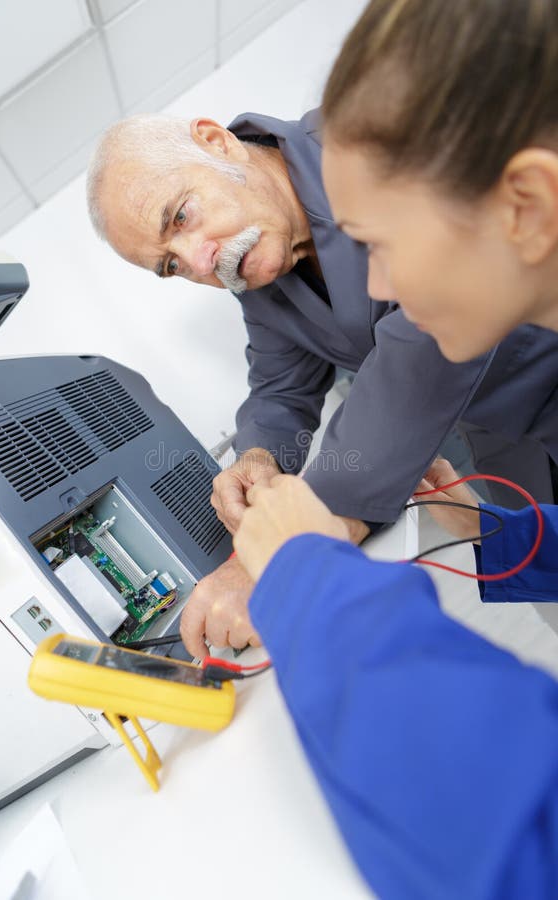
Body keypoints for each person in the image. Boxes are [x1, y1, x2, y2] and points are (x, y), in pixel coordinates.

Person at [231, 1, 558, 897]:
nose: (376, 287)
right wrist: (489, 539)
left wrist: (303, 573)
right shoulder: (265, 280)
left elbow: (513, 825)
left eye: (375, 245)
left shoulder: (350, 154)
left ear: (527, 206)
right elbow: (278, 390)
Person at [87, 108, 558, 658]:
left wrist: (286, 545)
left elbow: (424, 343)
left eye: (182, 217)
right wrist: (258, 455)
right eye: (171, 266)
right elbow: (280, 384)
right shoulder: (262, 269)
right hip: (512, 438)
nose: (200, 261)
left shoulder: (379, 139)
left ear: (216, 142)